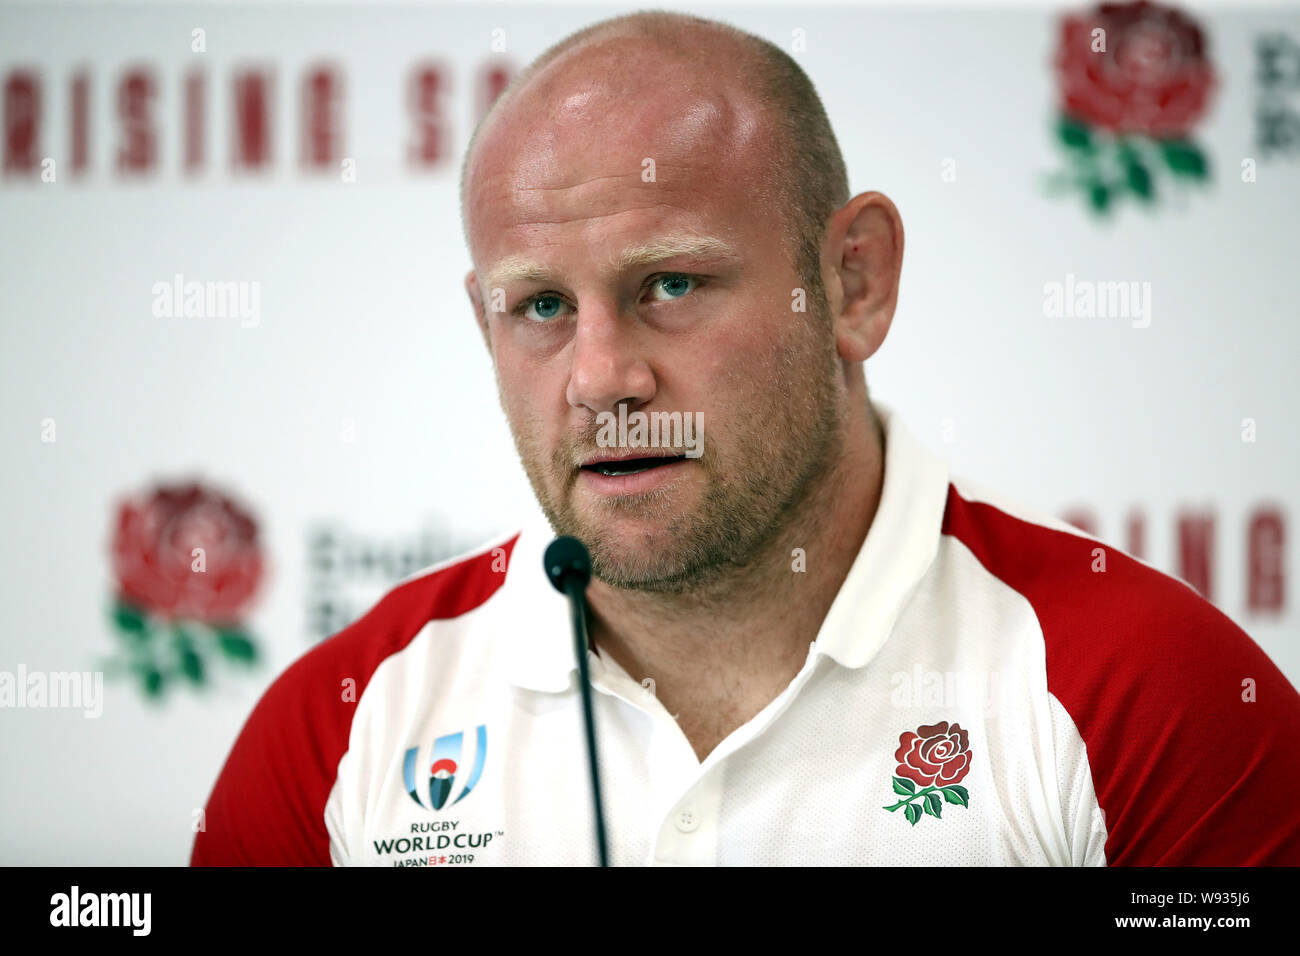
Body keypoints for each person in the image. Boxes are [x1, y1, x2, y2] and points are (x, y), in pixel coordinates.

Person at [191, 9, 1300, 866]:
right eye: (539, 307)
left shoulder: (1150, 695)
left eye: (671, 283)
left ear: (851, 282)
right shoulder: (338, 730)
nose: (602, 379)